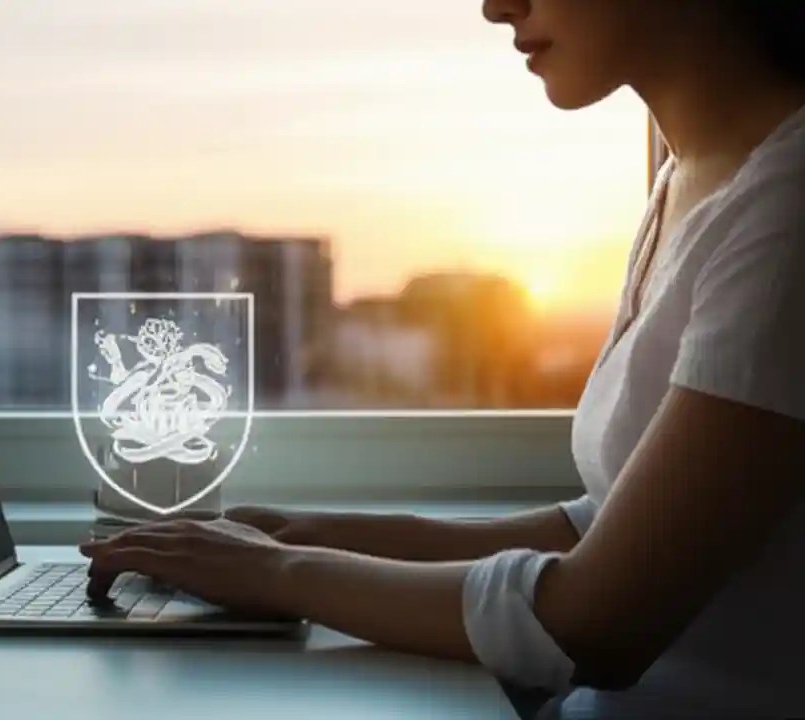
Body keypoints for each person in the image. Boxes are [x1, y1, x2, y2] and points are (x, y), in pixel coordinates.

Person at [79, 1, 805, 717]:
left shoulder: (787, 211)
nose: (496, 8)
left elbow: (597, 624)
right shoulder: (694, 177)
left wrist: (279, 572)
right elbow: (610, 525)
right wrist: (310, 535)